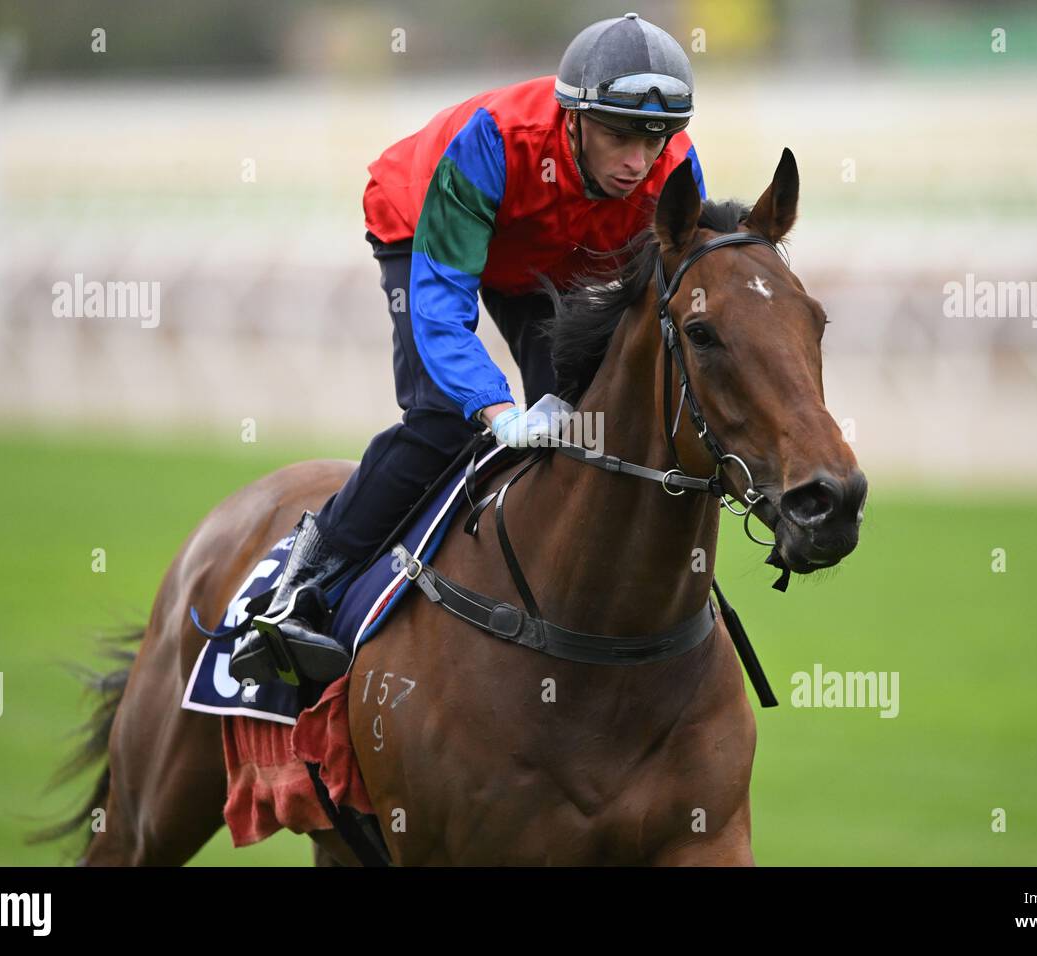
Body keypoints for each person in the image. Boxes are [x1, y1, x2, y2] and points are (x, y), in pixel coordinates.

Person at [229, 12, 709, 685]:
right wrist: (496, 408)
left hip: (549, 248)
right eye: (620, 136)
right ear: (572, 119)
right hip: (423, 222)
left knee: (585, 418)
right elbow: (440, 308)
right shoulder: (494, 140)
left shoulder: (675, 168)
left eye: (656, 138)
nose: (639, 162)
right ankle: (301, 588)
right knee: (442, 417)